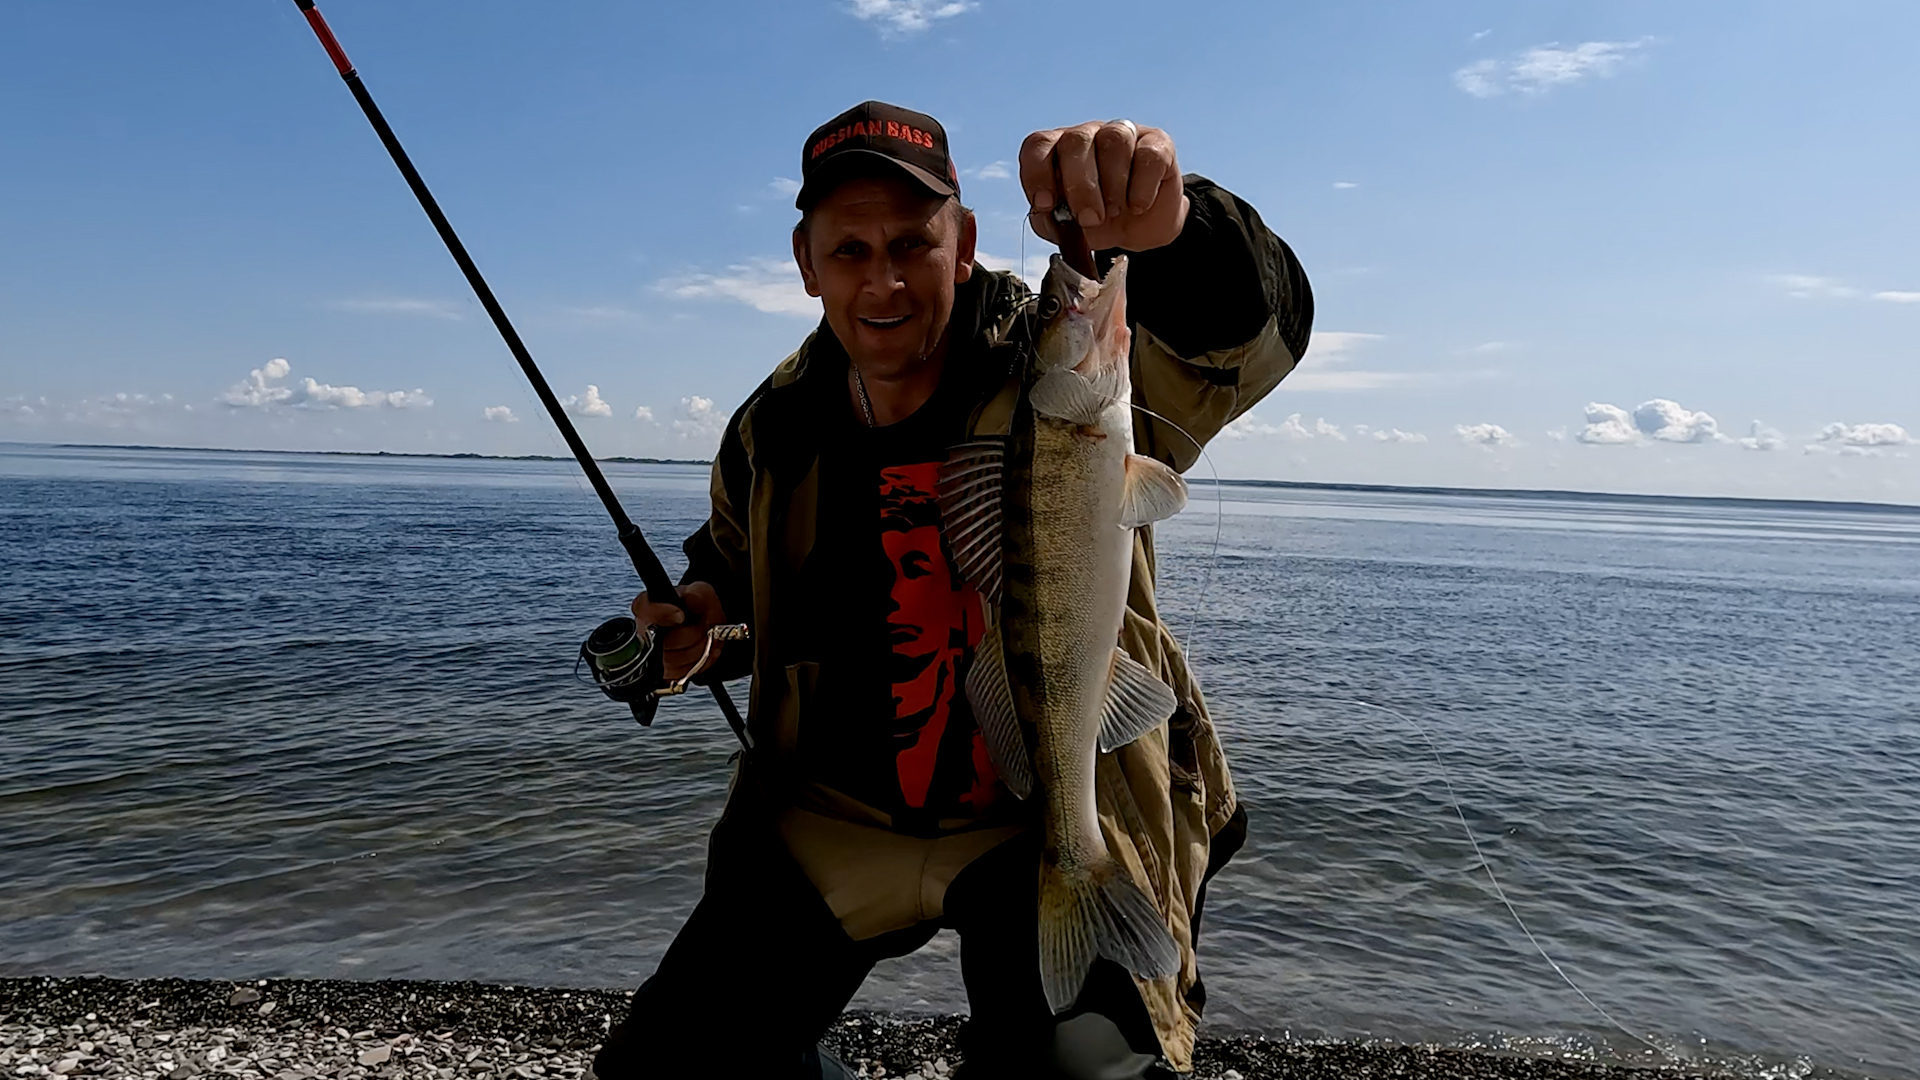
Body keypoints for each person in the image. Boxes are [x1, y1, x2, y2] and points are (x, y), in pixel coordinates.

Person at [592, 101, 1312, 1080]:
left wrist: (1177, 230)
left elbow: (1246, 339)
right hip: (832, 816)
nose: (882, 279)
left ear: (963, 242)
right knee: (663, 1069)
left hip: (1041, 814)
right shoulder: (772, 430)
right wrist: (699, 630)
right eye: (849, 250)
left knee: (1091, 1065)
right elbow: (731, 578)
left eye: (911, 243)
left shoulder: (1058, 361)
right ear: (806, 264)